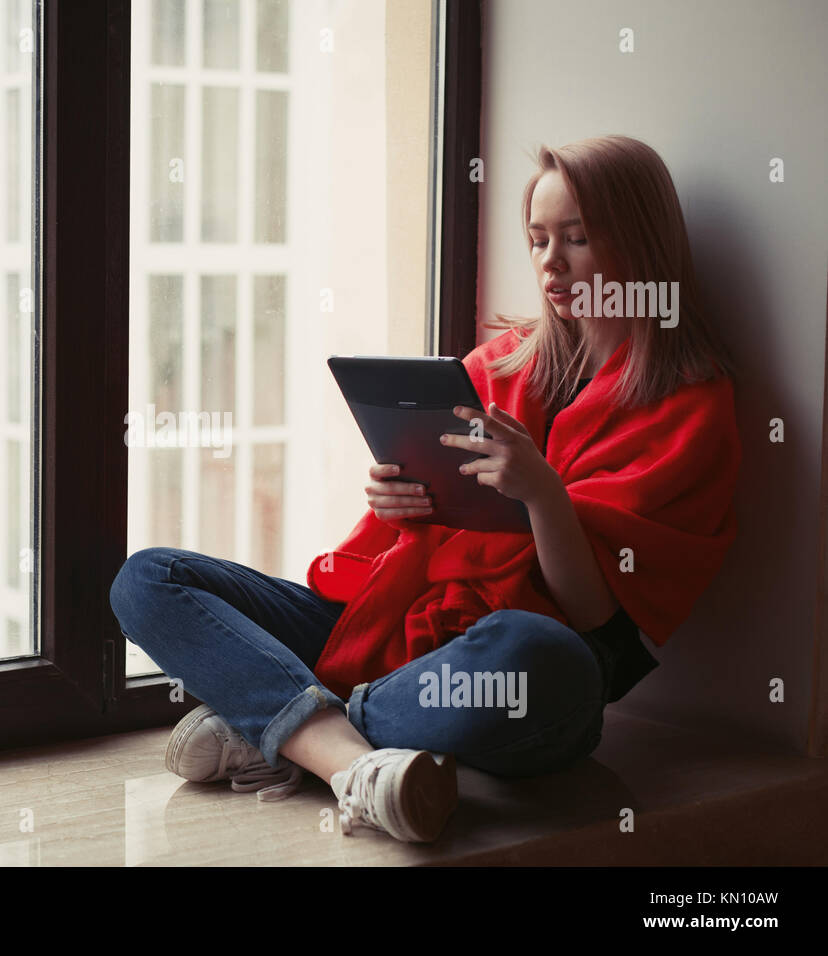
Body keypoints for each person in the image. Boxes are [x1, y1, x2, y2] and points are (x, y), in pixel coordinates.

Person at [108, 135, 741, 843]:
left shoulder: (693, 408)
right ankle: (348, 763)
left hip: (513, 663)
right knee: (147, 580)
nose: (550, 263)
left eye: (577, 238)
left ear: (641, 244)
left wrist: (542, 496)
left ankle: (281, 724)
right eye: (536, 240)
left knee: (544, 663)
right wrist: (398, 504)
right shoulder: (499, 364)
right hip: (392, 626)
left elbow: (600, 624)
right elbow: (412, 540)